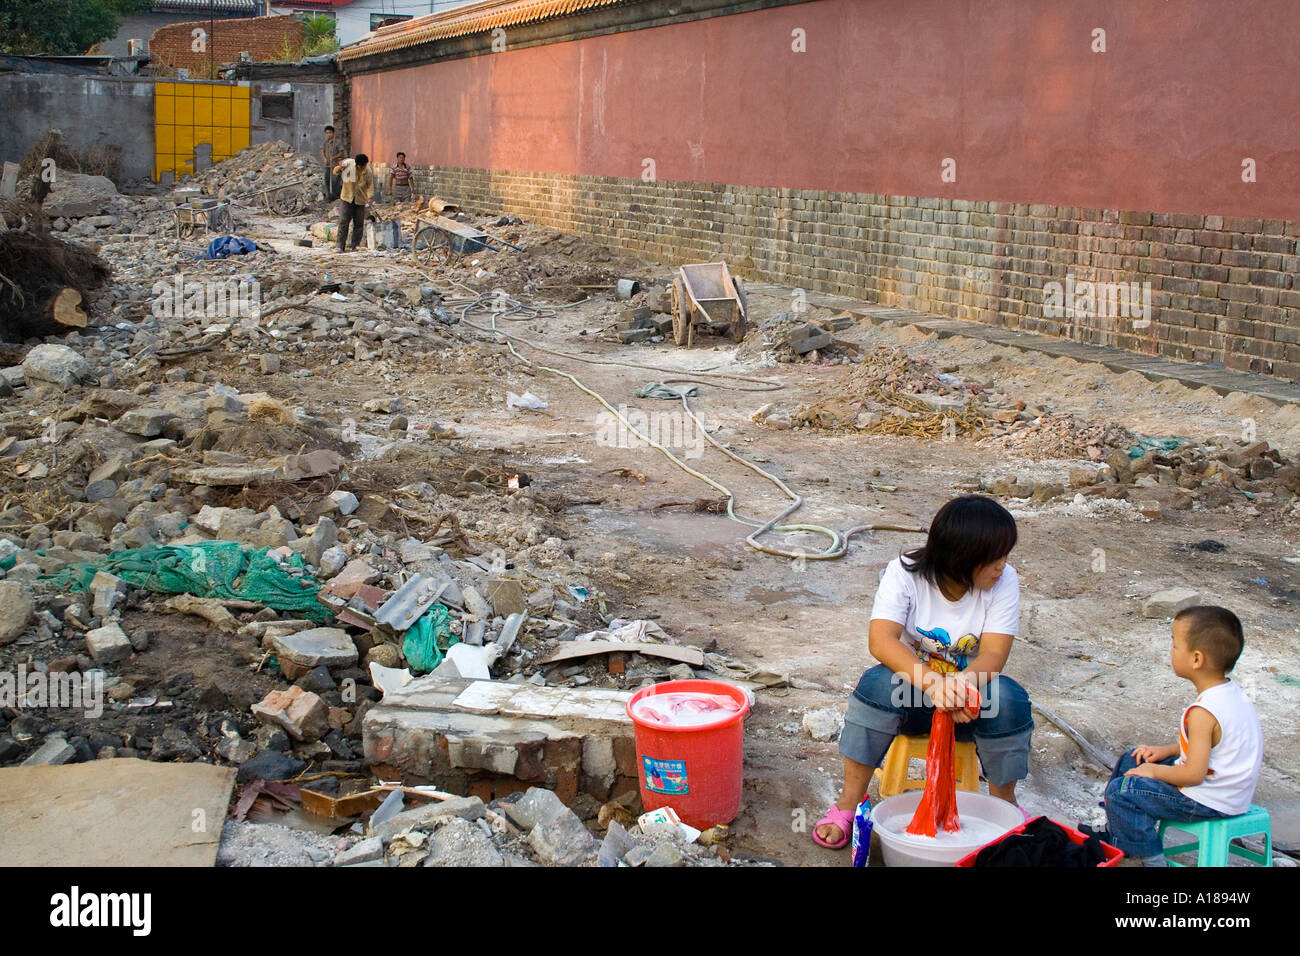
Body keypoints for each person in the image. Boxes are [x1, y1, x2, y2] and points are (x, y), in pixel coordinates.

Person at [812, 494, 1034, 849]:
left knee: (1008, 699)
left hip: (968, 704)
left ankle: (1004, 807)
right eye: (994, 558)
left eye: (1005, 556)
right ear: (963, 558)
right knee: (876, 685)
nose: (1002, 566)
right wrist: (933, 684)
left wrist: (960, 688)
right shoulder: (905, 573)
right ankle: (847, 804)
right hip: (916, 696)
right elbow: (881, 640)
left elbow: (994, 653)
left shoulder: (1004, 580)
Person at [1084, 606, 1262, 865]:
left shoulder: (1204, 712)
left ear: (1196, 659)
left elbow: (1192, 775)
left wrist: (1155, 772)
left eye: (1175, 645)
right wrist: (1167, 751)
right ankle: (1118, 832)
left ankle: (1147, 858)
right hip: (1227, 790)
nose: (1171, 651)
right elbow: (1213, 745)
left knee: (1123, 790)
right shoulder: (1230, 695)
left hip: (1210, 800)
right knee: (1132, 760)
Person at [332, 153, 374, 253]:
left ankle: (355, 245)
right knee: (344, 221)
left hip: (359, 200)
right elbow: (335, 172)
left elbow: (370, 186)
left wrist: (369, 197)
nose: (362, 167)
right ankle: (340, 245)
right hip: (347, 197)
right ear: (357, 164)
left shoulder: (368, 171)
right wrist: (340, 167)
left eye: (363, 166)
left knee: (359, 223)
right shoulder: (348, 163)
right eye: (360, 166)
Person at [321, 125, 345, 202]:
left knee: (335, 181)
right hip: (328, 165)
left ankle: (336, 197)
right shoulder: (325, 142)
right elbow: (323, 151)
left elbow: (341, 152)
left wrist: (334, 157)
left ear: (333, 133)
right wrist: (324, 158)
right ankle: (329, 196)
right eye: (327, 133)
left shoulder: (337, 142)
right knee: (327, 180)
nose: (328, 134)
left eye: (330, 133)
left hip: (336, 165)